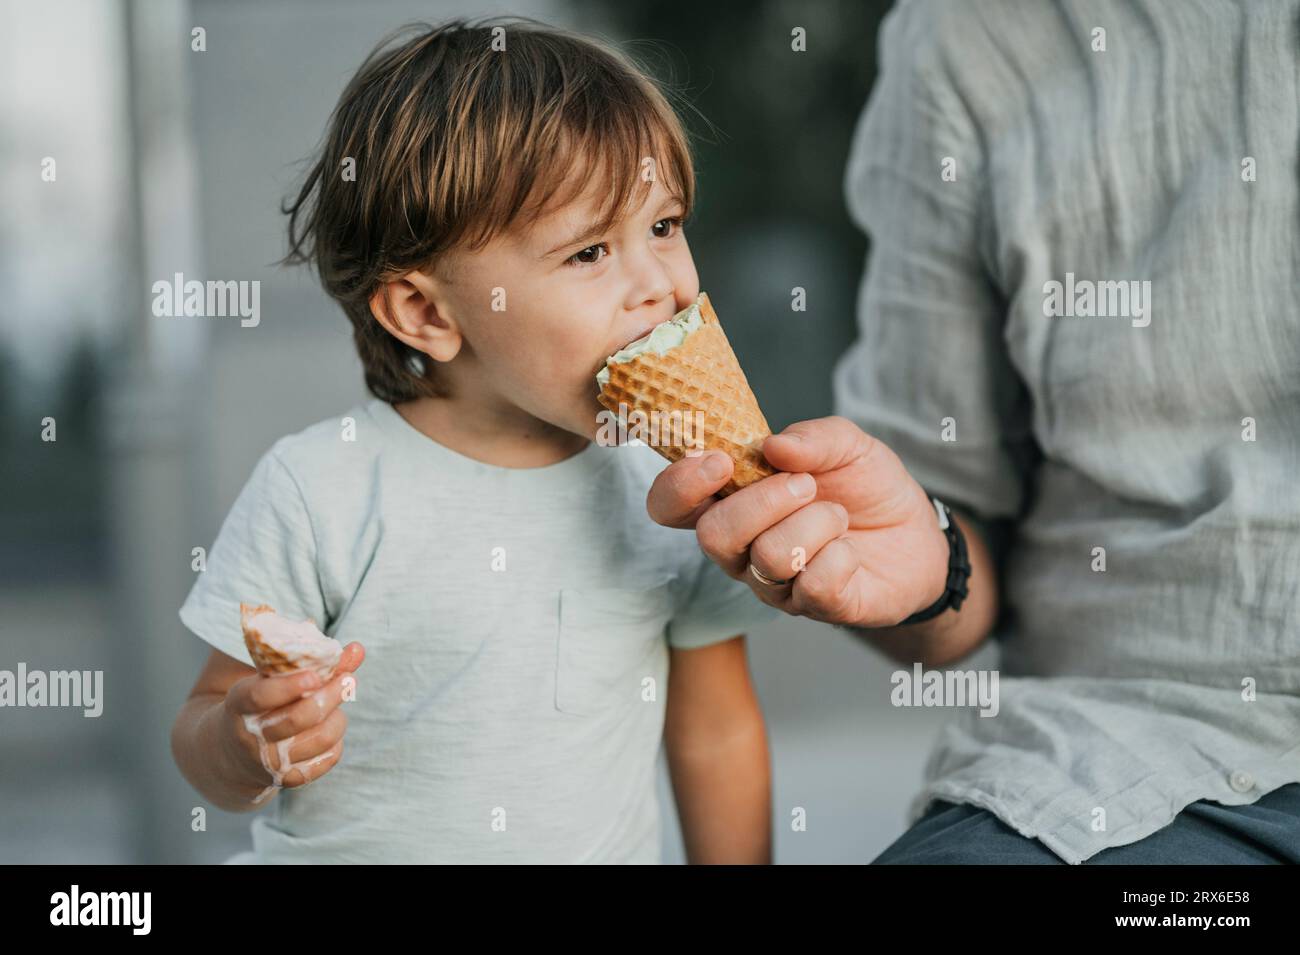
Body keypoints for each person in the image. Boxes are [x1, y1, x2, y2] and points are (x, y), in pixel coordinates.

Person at [646, 0, 1300, 864]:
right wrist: (930, 559)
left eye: (661, 228)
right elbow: (953, 534)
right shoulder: (962, 40)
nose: (654, 285)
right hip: (1133, 761)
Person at [171, 18, 778, 864]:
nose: (658, 287)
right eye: (591, 251)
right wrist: (245, 739)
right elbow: (209, 717)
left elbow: (715, 727)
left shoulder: (678, 482)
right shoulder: (322, 487)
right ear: (427, 313)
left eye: (666, 225)